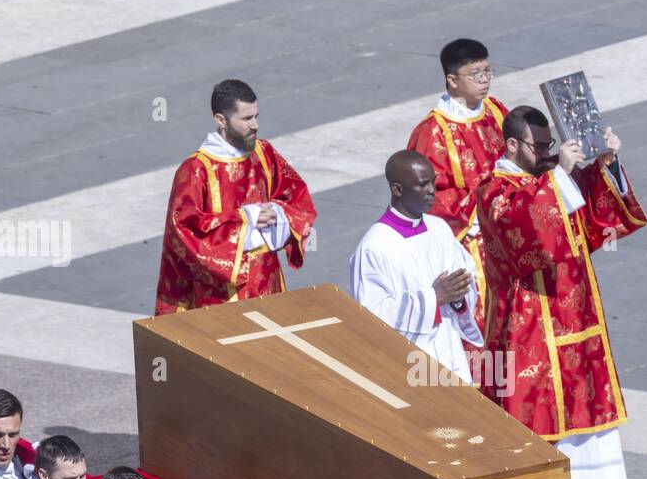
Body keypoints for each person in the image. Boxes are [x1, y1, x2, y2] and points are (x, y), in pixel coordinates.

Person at [474, 105, 647, 479]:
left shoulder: (546, 177)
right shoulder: (493, 189)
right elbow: (525, 230)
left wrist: (607, 162)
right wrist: (558, 177)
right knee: (540, 405)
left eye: (550, 144)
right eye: (540, 146)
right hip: (530, 318)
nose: (547, 152)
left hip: (576, 310)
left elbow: (591, 217)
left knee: (582, 398)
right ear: (512, 144)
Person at [155, 78, 316, 313]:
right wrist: (246, 220)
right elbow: (183, 233)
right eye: (246, 118)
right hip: (221, 295)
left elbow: (297, 198)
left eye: (256, 116)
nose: (255, 125)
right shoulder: (196, 170)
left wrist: (278, 214)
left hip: (268, 283)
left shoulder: (264, 153)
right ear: (221, 120)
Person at [349, 149, 481, 381]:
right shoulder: (374, 246)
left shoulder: (439, 228)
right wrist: (433, 298)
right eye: (422, 185)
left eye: (432, 182)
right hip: (409, 370)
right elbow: (370, 317)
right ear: (397, 189)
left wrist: (458, 296)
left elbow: (465, 280)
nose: (432, 190)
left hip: (450, 356)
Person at [407, 37, 509, 338]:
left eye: (488, 71)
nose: (484, 80)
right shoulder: (432, 132)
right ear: (452, 79)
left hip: (505, 237)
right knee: (478, 330)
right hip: (468, 245)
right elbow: (423, 195)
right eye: (475, 74)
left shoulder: (496, 111)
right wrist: (481, 206)